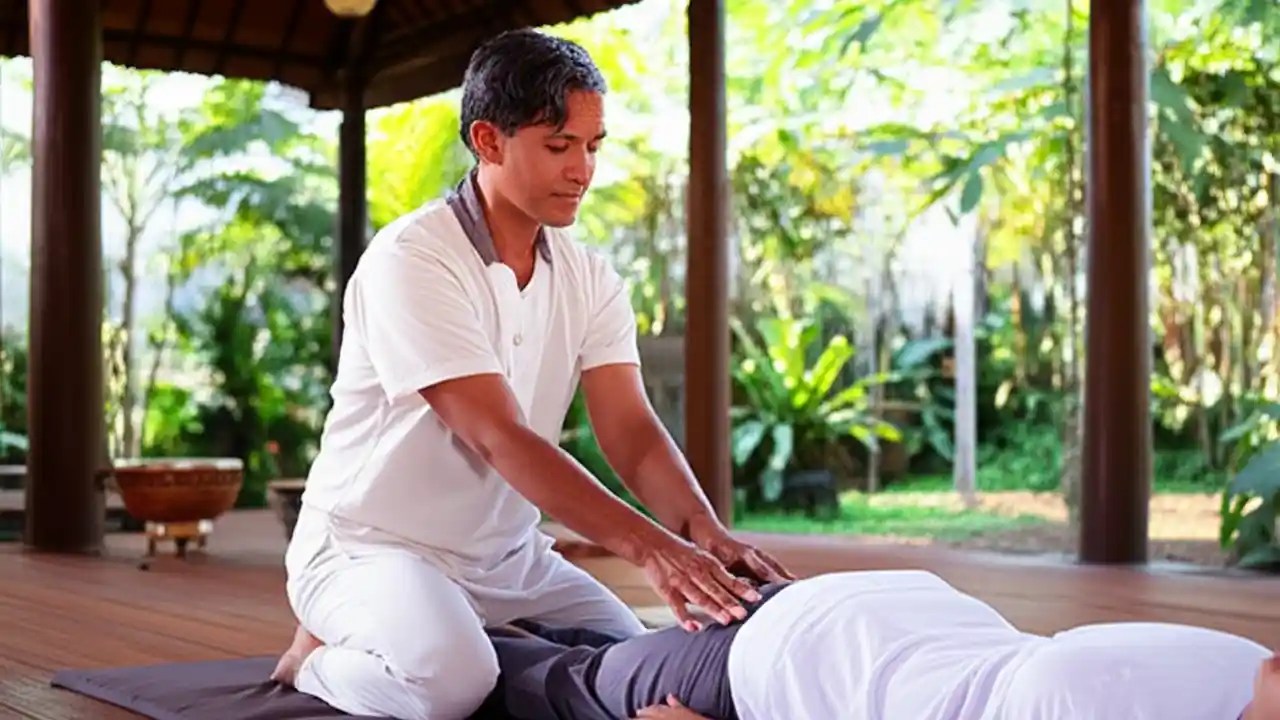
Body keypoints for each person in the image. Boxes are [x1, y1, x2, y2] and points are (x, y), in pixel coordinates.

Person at [269, 28, 793, 720]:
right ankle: (315, 660)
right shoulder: (414, 259)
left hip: (507, 558)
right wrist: (650, 550)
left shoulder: (588, 275)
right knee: (453, 685)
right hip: (373, 549)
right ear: (488, 141)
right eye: (559, 146)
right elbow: (497, 436)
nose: (583, 170)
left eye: (592, 145)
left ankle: (457, 628)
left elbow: (630, 431)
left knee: (627, 659)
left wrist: (703, 532)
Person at [479, 570, 1278, 720]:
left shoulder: (1241, 661)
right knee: (569, 690)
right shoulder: (1240, 670)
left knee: (611, 659)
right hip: (789, 652)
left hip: (889, 619)